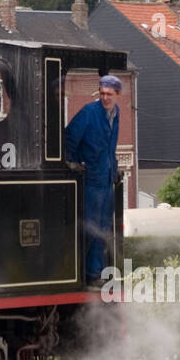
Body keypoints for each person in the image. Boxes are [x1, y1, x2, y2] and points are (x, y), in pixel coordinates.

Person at [65, 74, 122, 285]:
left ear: (117, 94)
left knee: (103, 227)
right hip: (90, 178)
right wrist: (71, 162)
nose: (105, 98)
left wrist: (114, 168)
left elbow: (110, 146)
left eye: (109, 94)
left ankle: (94, 272)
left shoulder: (116, 114)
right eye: (102, 93)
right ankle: (84, 272)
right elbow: (70, 137)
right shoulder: (89, 112)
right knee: (90, 226)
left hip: (106, 178)